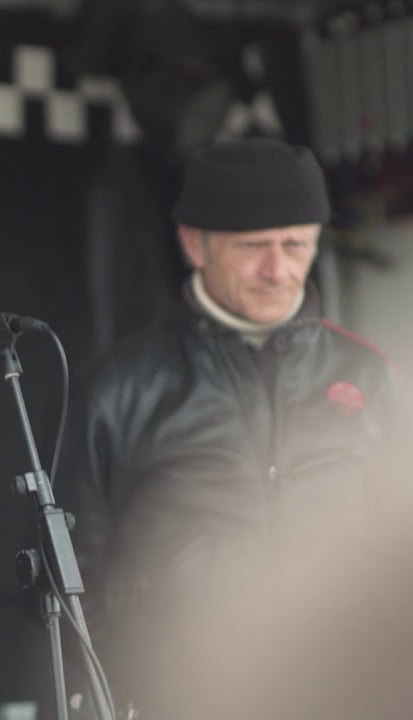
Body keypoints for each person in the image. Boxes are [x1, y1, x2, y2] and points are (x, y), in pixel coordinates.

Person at [64, 137, 407, 720]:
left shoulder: (372, 381)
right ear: (195, 243)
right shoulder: (118, 389)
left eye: (296, 244)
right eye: (253, 247)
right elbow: (73, 581)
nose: (278, 269)